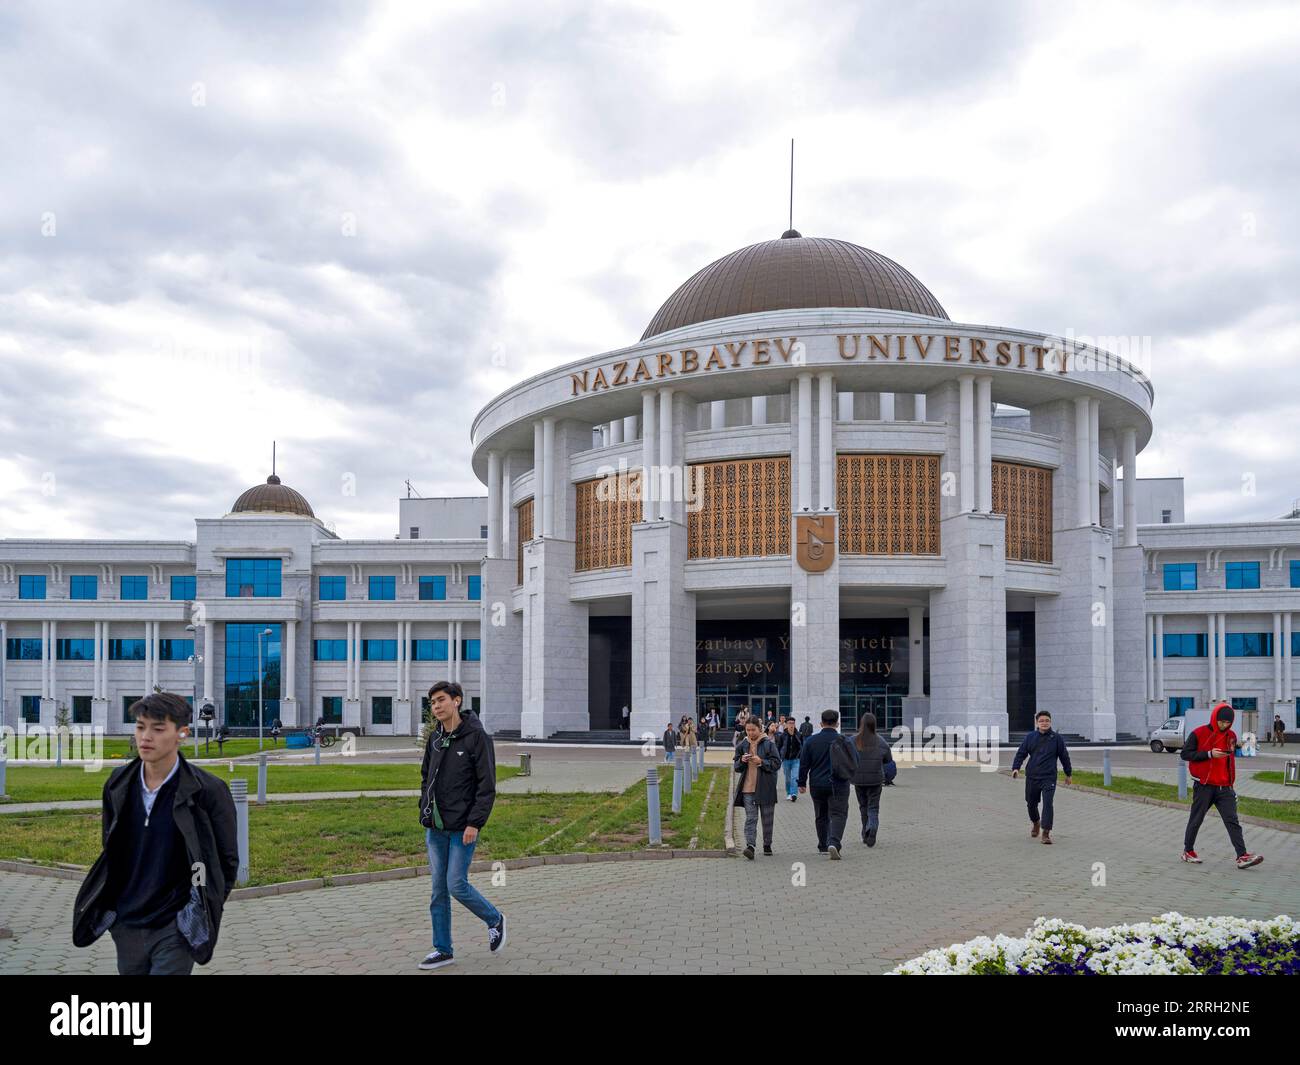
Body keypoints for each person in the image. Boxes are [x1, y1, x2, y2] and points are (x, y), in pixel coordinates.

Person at [73, 692, 238, 975]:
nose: (145, 736)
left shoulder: (207, 791)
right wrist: (116, 914)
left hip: (174, 925)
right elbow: (112, 847)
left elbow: (225, 861)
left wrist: (197, 910)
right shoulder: (118, 784)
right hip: (126, 924)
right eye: (140, 726)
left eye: (158, 729)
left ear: (181, 734)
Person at [418, 680, 506, 970]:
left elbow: (487, 786)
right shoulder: (434, 738)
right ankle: (443, 949)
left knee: (456, 884)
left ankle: (494, 918)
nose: (436, 706)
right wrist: (425, 809)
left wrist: (475, 823)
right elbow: (425, 777)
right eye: (432, 703)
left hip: (463, 828)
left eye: (441, 700)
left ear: (457, 701)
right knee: (437, 891)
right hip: (436, 828)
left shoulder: (477, 737)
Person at [1180, 702, 1264, 869]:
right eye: (1221, 722)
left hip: (1225, 787)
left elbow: (1230, 759)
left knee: (1232, 821)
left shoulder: (1231, 735)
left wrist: (1231, 783)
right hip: (1204, 785)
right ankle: (1188, 851)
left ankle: (1242, 856)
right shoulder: (1199, 733)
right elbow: (1185, 754)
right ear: (1215, 718)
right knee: (1196, 819)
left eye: (1228, 723)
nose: (1224, 725)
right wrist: (1209, 754)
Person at [797, 709, 857, 859]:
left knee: (821, 815)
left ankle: (823, 845)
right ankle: (834, 843)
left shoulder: (811, 741)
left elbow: (804, 764)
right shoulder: (845, 740)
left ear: (820, 723)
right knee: (838, 814)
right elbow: (855, 761)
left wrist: (802, 782)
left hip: (817, 784)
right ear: (837, 723)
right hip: (839, 784)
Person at [1010, 710, 1072, 844]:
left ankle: (1046, 833)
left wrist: (1068, 773)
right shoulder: (1030, 737)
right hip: (1032, 776)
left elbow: (1064, 756)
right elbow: (1021, 753)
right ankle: (1036, 823)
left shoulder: (1056, 739)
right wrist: (1016, 768)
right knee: (1031, 804)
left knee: (1048, 804)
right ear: (1037, 723)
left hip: (1049, 777)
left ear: (1050, 722)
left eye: (1047, 721)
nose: (1044, 723)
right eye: (1041, 721)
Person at [733, 718, 781, 859]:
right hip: (748, 788)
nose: (750, 732)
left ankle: (767, 845)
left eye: (753, 729)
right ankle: (750, 846)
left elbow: (777, 763)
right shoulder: (743, 745)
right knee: (751, 818)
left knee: (767, 819)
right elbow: (736, 766)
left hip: (765, 787)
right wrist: (741, 761)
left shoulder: (768, 744)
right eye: (748, 730)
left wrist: (762, 762)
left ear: (760, 728)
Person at [850, 712, 894, 847]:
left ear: (861, 724)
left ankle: (865, 831)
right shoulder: (881, 741)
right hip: (875, 779)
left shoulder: (853, 740)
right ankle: (872, 826)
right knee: (873, 807)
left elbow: (847, 757)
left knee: (863, 806)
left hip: (858, 779)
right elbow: (888, 760)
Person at [776, 716, 802, 802]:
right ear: (786, 724)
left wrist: (801, 756)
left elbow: (802, 746)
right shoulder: (783, 735)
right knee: (787, 779)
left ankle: (794, 793)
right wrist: (779, 757)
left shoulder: (798, 735)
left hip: (796, 760)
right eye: (790, 723)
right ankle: (789, 793)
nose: (791, 725)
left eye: (793, 723)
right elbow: (779, 747)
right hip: (786, 760)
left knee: (794, 777)